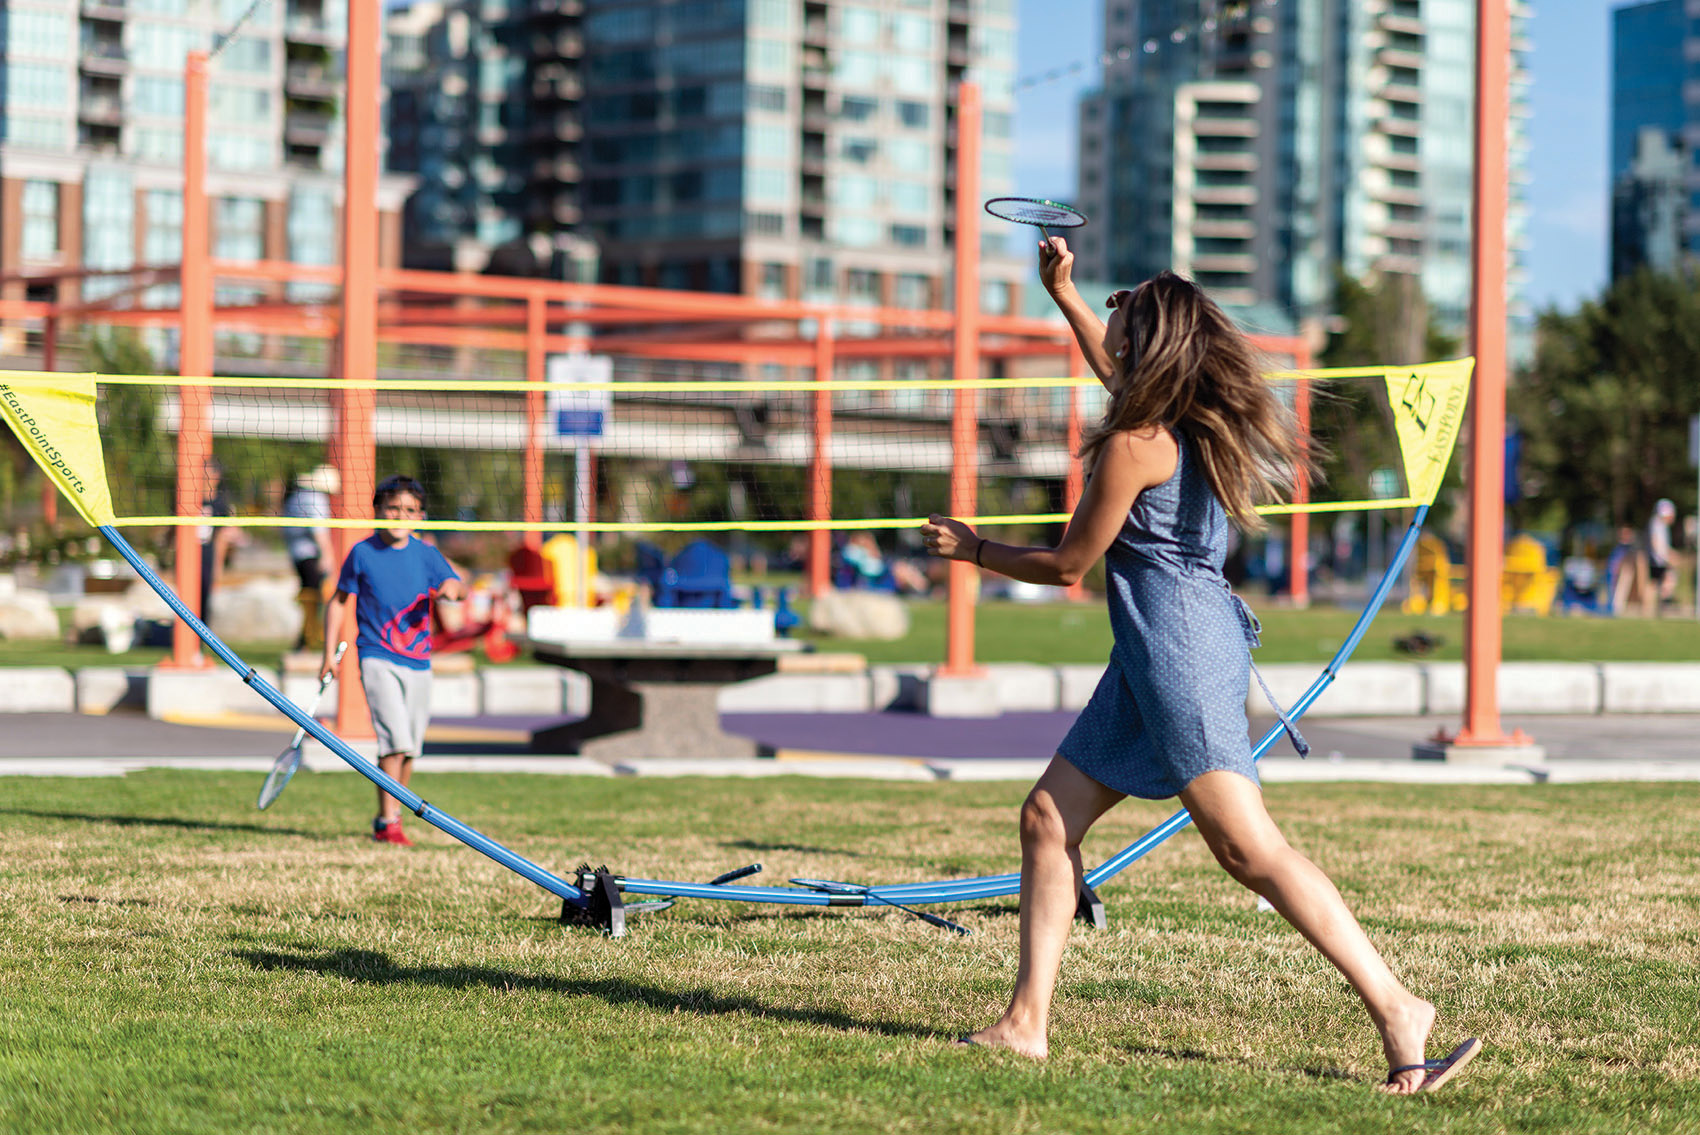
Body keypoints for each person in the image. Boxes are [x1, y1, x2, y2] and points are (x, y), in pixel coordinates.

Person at [919, 242, 1478, 1094]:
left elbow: (1072, 566)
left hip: (1179, 651)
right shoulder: (1170, 422)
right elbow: (1117, 376)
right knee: (1046, 818)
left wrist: (974, 548)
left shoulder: (1139, 441)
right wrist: (1065, 295)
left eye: (1122, 308)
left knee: (1248, 849)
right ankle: (1026, 1023)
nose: (1111, 319)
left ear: (1147, 342)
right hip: (1152, 651)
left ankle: (1401, 1007)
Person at [321, 475, 465, 846]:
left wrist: (452, 588)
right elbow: (338, 601)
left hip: (419, 661)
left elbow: (455, 584)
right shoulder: (363, 553)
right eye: (393, 508)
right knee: (395, 741)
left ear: (420, 516)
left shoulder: (426, 553)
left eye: (410, 510)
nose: (401, 516)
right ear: (378, 510)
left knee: (410, 748)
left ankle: (390, 817)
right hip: (376, 655)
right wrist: (328, 654)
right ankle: (390, 822)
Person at [282, 464, 340, 649]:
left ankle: (307, 640)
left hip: (298, 554)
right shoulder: (315, 498)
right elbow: (319, 530)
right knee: (314, 598)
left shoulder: (298, 496)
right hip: (310, 555)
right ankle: (308, 640)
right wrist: (328, 556)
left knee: (310, 596)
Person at [1647, 498, 1678, 615]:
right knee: (1659, 582)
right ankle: (1658, 606)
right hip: (1657, 560)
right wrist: (1666, 557)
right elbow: (1656, 543)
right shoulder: (1657, 524)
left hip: (1659, 559)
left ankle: (1658, 607)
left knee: (1658, 583)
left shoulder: (1661, 524)